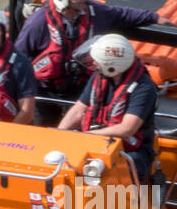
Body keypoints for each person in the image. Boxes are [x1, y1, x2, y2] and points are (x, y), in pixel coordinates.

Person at [15, 0, 163, 100]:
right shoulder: (37, 24)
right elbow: (18, 61)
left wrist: (157, 18)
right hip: (45, 92)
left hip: (84, 89)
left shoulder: (95, 11)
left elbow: (124, 15)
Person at [58, 33, 158, 185]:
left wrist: (86, 136)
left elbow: (127, 129)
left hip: (130, 151)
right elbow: (79, 108)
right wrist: (59, 133)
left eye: (97, 62)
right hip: (95, 141)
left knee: (121, 174)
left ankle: (132, 206)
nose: (94, 64)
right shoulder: (99, 76)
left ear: (113, 66)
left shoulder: (144, 88)